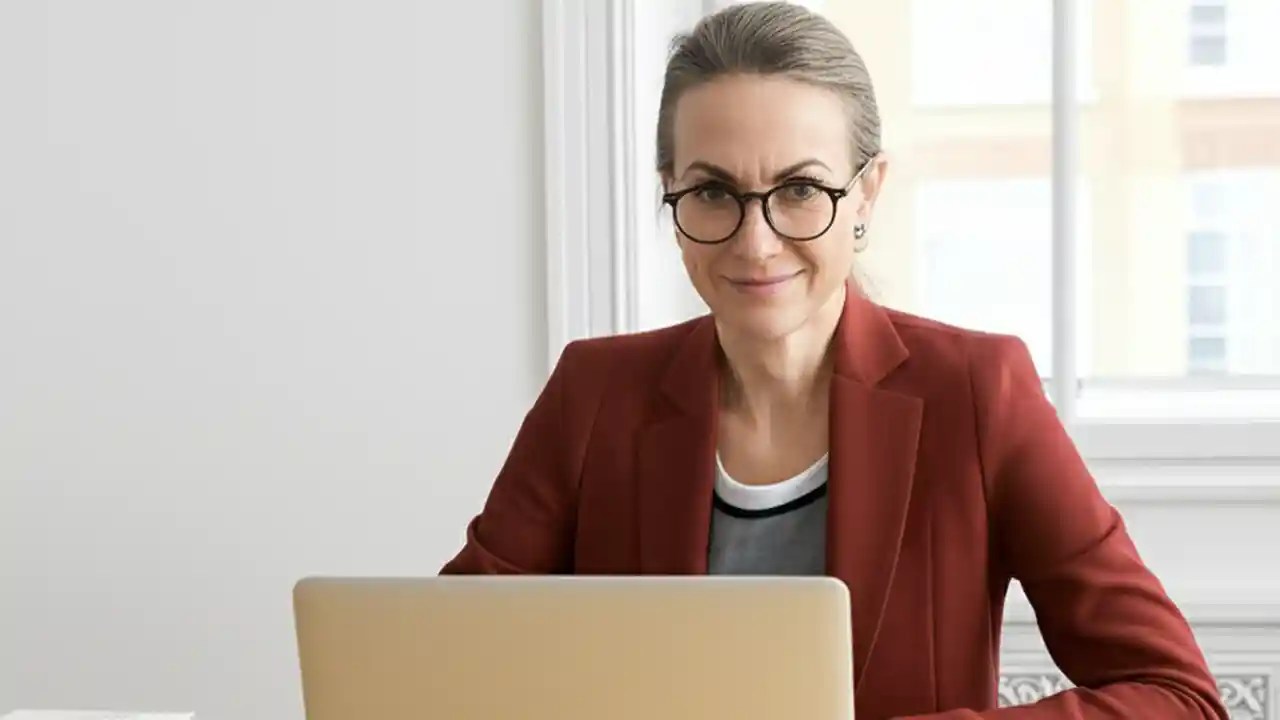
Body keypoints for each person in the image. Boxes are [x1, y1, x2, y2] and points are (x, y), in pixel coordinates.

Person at [442, 3, 1225, 718]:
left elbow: (1179, 698)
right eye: (712, 192)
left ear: (867, 194)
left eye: (799, 190)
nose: (756, 243)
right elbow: (445, 665)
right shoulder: (593, 395)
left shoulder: (979, 392)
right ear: (670, 194)